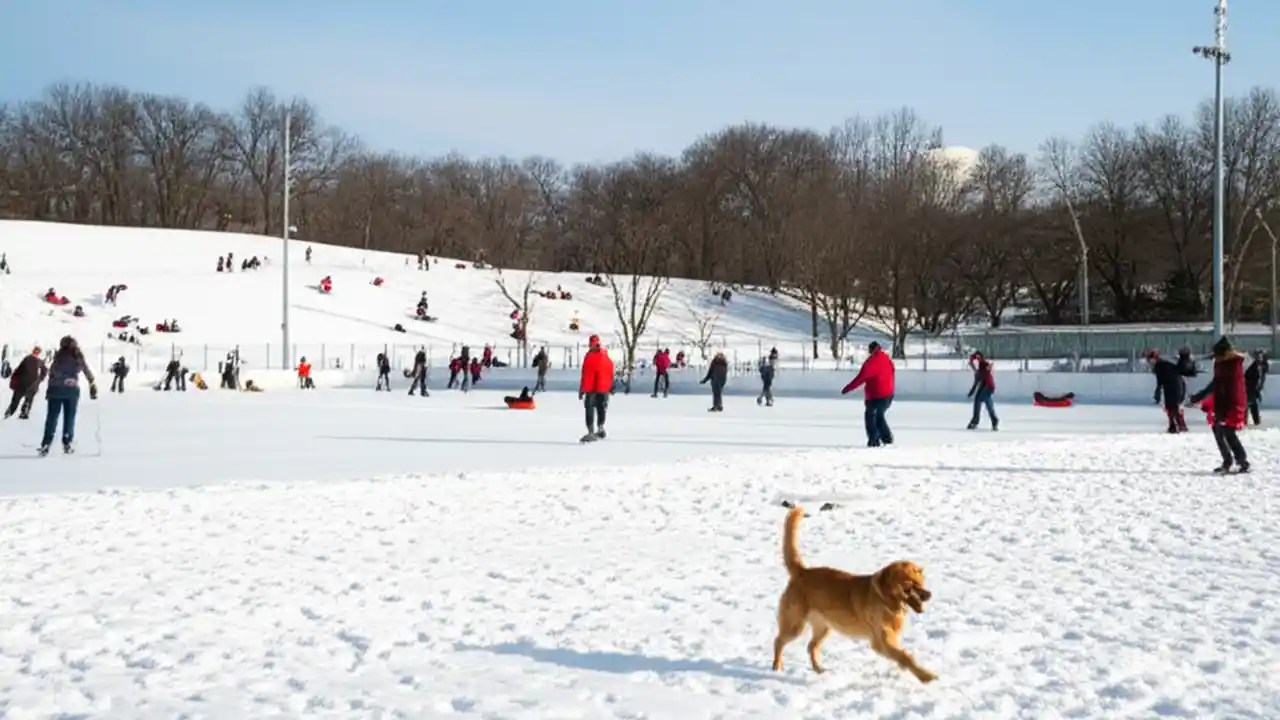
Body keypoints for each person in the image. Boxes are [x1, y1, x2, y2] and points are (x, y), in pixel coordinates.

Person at [1189, 337, 1249, 474]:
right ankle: (1228, 461)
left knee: (1228, 431)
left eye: (1217, 355)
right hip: (1222, 401)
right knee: (1218, 430)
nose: (1215, 358)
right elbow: (1216, 383)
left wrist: (1199, 397)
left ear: (1226, 353)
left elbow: (1220, 385)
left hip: (1232, 402)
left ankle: (1242, 461)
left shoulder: (1232, 365)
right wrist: (1200, 396)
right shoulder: (1223, 364)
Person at [38, 336, 97, 456]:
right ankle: (67, 442)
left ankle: (46, 443)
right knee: (69, 417)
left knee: (52, 417)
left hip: (55, 390)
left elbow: (52, 372)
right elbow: (85, 369)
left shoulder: (58, 355)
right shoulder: (77, 355)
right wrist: (92, 382)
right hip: (71, 391)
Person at [842, 341, 896, 447]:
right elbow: (892, 371)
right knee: (879, 417)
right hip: (888, 395)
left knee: (870, 418)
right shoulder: (886, 358)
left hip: (876, 396)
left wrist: (847, 388)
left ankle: (874, 440)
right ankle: (887, 439)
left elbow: (861, 378)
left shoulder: (872, 362)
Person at [579, 334, 614, 442]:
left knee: (590, 408)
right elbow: (610, 371)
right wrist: (610, 386)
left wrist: (582, 388)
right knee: (601, 408)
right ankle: (600, 428)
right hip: (602, 388)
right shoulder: (605, 356)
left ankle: (592, 430)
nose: (590, 346)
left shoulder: (590, 356)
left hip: (593, 388)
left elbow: (586, 373)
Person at [1146, 349, 1188, 433]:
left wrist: (1158, 391)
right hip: (1173, 385)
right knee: (1171, 407)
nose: (1149, 362)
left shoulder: (1160, 365)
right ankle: (1176, 425)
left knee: (1173, 407)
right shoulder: (1162, 364)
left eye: (1150, 359)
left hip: (1174, 386)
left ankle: (1178, 426)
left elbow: (1160, 380)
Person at [4, 346, 47, 420]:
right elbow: (45, 371)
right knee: (29, 399)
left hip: (22, 383)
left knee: (15, 400)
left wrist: (14, 376)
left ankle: (9, 413)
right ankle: (24, 412)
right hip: (33, 385)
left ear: (33, 351)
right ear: (39, 353)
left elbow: (19, 369)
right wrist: (39, 379)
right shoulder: (39, 361)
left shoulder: (27, 359)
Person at [966, 352, 998, 431]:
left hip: (988, 386)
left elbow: (987, 364)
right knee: (984, 401)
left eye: (971, 363)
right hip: (985, 386)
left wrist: (990, 366)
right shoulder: (978, 371)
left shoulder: (982, 365)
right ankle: (994, 421)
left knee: (980, 399)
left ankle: (976, 421)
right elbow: (976, 383)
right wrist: (971, 392)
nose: (971, 365)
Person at [1245, 349, 1269, 426]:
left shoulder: (1262, 366)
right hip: (1249, 388)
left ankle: (1254, 421)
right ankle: (1246, 422)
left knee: (1252, 405)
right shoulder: (1252, 366)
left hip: (1252, 389)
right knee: (1249, 404)